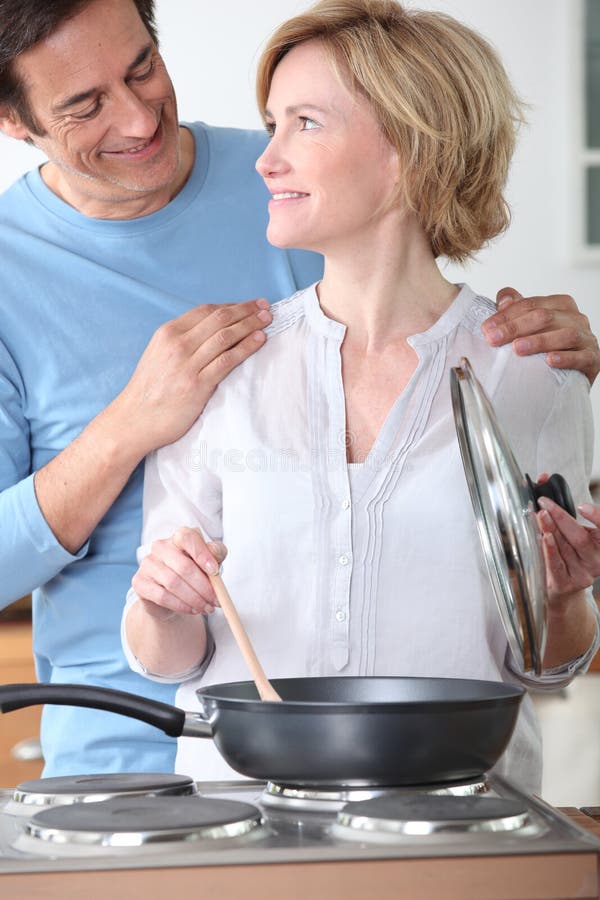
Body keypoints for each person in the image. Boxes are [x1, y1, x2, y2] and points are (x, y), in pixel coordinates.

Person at [0, 0, 596, 780]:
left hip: (427, 788)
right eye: (84, 105)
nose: (141, 118)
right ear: (16, 122)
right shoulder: (22, 278)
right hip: (125, 749)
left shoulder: (289, 185)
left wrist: (557, 365)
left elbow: (410, 287)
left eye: (143, 66)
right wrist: (128, 427)